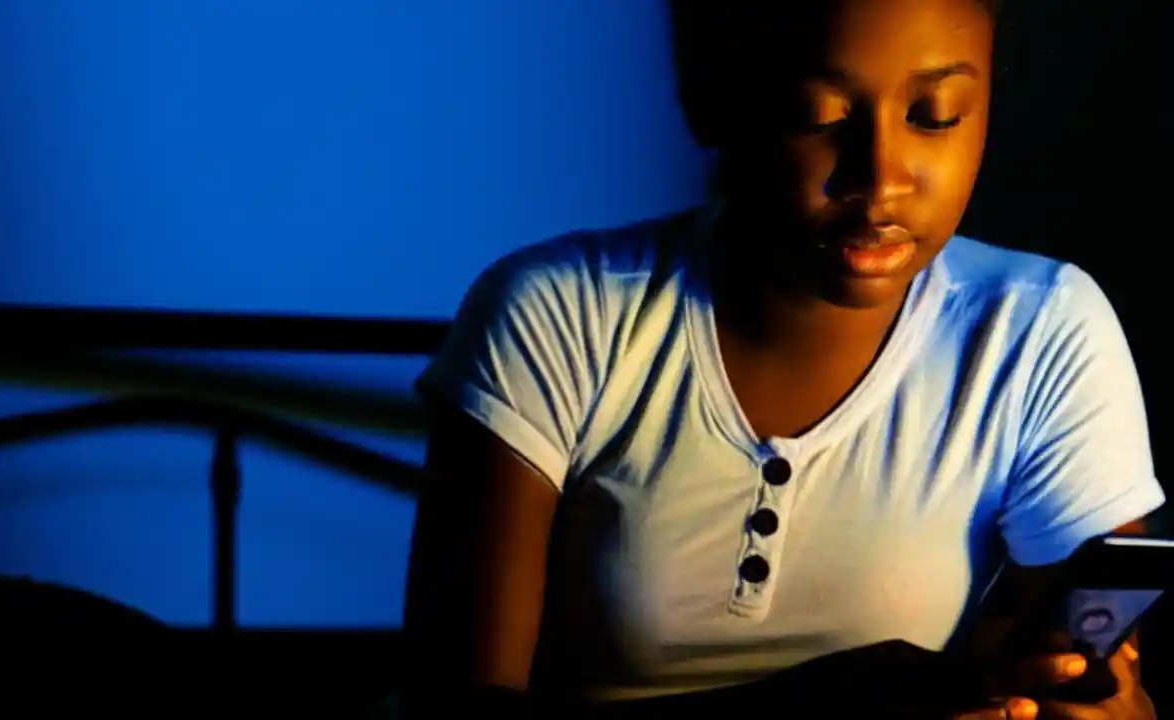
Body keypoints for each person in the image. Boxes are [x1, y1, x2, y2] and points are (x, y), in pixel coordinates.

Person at [402, 0, 1164, 717]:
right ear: (712, 101)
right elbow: (451, 704)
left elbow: (1080, 671)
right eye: (820, 118)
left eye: (935, 117)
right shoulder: (561, 315)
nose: (882, 178)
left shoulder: (1034, 330)